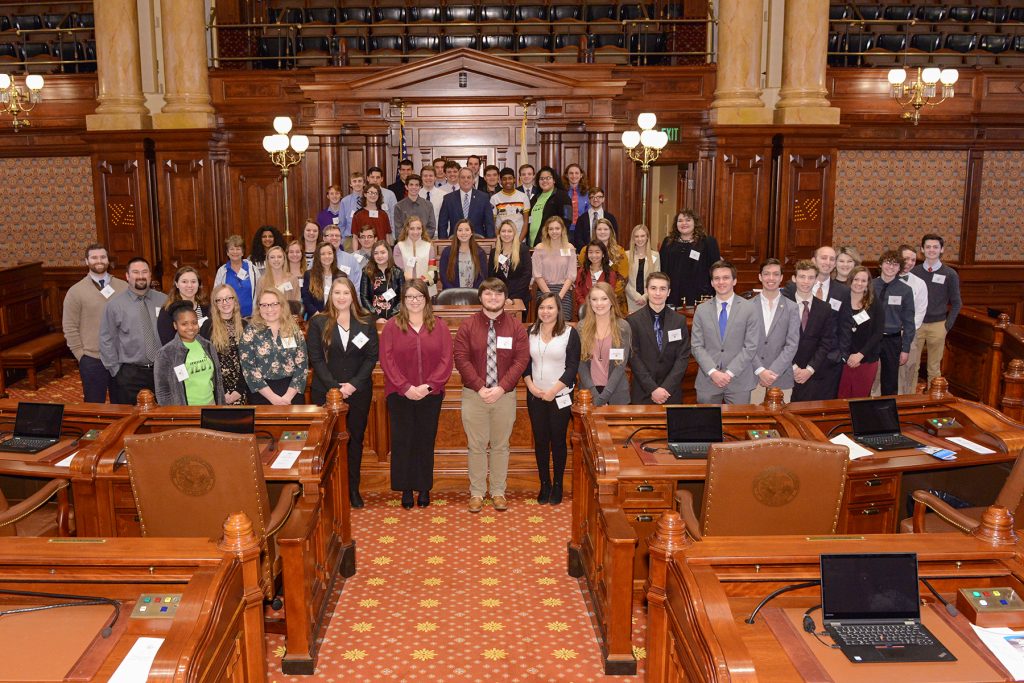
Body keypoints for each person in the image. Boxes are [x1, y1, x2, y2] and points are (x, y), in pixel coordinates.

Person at [454, 278, 529, 513]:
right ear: (481, 297)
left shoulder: (516, 327)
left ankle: (498, 491)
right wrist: (479, 387)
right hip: (474, 395)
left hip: (504, 395)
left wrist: (501, 388)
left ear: (505, 298)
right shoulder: (467, 325)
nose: (493, 298)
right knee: (476, 446)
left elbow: (521, 360)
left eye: (498, 294)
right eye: (488, 294)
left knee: (500, 446)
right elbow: (461, 358)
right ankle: (476, 492)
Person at [380, 280, 454, 509]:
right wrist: (405, 387)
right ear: (403, 301)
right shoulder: (392, 326)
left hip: (430, 395)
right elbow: (387, 360)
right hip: (399, 394)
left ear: (426, 299)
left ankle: (423, 488)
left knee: (424, 440)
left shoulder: (439, 326)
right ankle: (405, 488)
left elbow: (446, 360)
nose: (414, 301)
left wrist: (428, 386)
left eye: (419, 296)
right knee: (403, 441)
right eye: (410, 297)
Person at [307, 276, 379, 508]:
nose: (341, 297)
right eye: (337, 293)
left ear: (352, 295)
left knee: (354, 440)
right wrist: (335, 387)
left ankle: (352, 490)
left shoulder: (366, 321)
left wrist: (353, 384)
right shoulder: (319, 322)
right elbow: (315, 359)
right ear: (331, 295)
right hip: (326, 392)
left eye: (345, 293)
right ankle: (330, 491)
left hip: (358, 391)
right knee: (328, 443)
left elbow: (371, 357)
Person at [523, 291, 580, 505]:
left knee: (558, 441)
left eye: (550, 307)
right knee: (540, 441)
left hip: (560, 396)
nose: (546, 312)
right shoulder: (530, 332)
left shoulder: (569, 333)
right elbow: (525, 364)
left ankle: (558, 485)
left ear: (558, 310)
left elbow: (572, 366)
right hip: (535, 396)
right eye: (542, 308)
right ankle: (544, 483)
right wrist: (532, 387)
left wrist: (553, 390)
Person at [62, 243, 129, 403]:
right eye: (94, 257)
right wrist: (80, 355)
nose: (99, 261)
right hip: (92, 358)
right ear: (86, 261)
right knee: (94, 404)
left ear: (108, 260)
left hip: (121, 358)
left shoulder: (124, 287)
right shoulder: (76, 291)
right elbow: (69, 326)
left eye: (102, 257)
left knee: (123, 403)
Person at [99, 257, 168, 405]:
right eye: (135, 272)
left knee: (163, 414)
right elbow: (106, 339)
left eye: (144, 272)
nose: (141, 276)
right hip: (130, 373)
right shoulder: (115, 305)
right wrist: (116, 371)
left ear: (150, 275)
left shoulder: (164, 300)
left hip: (161, 371)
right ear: (127, 276)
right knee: (131, 418)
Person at [690, 260, 759, 404]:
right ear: (712, 283)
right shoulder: (701, 310)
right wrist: (713, 372)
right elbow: (696, 346)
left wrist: (729, 373)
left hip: (739, 381)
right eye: (716, 278)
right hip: (708, 380)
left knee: (739, 425)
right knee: (706, 425)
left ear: (734, 281)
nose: (721, 282)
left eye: (726, 278)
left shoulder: (749, 308)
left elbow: (750, 347)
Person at [627, 271, 691, 404]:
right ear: (646, 291)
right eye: (653, 288)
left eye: (662, 289)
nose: (657, 293)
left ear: (668, 292)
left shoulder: (679, 320)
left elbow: (683, 357)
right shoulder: (633, 321)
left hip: (670, 392)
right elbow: (634, 357)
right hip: (643, 391)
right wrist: (652, 389)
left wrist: (666, 388)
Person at [239, 288, 308, 405]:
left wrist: (287, 397)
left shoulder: (294, 330)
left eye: (274, 304)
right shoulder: (250, 332)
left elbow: (302, 365)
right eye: (264, 305)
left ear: (282, 306)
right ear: (258, 308)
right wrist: (273, 398)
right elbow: (248, 369)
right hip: (262, 394)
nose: (269, 309)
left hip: (292, 394)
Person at [784, 259, 838, 402]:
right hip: (787, 370)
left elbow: (826, 342)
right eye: (802, 277)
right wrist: (794, 368)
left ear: (816, 280)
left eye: (810, 277)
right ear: (794, 278)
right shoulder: (783, 306)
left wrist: (809, 369)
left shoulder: (825, 308)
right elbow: (779, 341)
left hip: (813, 372)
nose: (806, 281)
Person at [911, 233, 962, 386]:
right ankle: (911, 399)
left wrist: (947, 326)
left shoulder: (950, 274)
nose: (931, 250)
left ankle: (933, 401)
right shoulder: (914, 272)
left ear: (941, 250)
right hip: (916, 325)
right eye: (928, 247)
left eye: (935, 247)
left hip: (938, 325)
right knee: (912, 366)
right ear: (922, 249)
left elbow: (957, 303)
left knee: (934, 368)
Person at [749, 258, 801, 404]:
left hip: (781, 377)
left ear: (781, 278)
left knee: (780, 422)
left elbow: (792, 345)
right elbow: (745, 343)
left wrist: (772, 372)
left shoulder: (792, 308)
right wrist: (760, 370)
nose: (771, 278)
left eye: (775, 274)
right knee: (754, 422)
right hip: (753, 376)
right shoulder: (747, 306)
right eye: (766, 274)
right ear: (760, 277)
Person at [154, 300, 224, 406]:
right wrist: (171, 416)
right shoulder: (166, 353)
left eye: (194, 322)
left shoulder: (208, 346)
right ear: (175, 325)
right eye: (184, 324)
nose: (190, 327)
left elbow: (218, 381)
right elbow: (162, 391)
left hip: (211, 405)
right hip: (185, 410)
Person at [577, 282, 632, 406]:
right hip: (588, 394)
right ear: (589, 302)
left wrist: (604, 397)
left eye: (604, 299)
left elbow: (620, 366)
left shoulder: (623, 327)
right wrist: (594, 395)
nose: (599, 303)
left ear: (612, 301)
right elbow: (580, 364)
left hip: (616, 394)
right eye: (594, 299)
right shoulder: (581, 327)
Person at [873, 249, 916, 396]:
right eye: (888, 263)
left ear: (900, 268)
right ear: (881, 264)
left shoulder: (905, 290)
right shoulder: (870, 286)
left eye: (895, 264)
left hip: (892, 339)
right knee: (869, 376)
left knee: (890, 381)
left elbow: (909, 322)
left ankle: (886, 412)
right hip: (870, 338)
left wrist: (905, 348)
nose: (891, 267)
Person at [838, 266, 885, 399]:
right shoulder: (841, 300)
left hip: (867, 359)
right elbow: (834, 330)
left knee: (860, 399)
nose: (859, 283)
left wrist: (860, 355)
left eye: (863, 281)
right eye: (856, 279)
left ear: (868, 283)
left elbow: (878, 332)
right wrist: (846, 356)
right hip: (843, 360)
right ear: (850, 280)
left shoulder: (874, 302)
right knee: (841, 398)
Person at [659, 210, 720, 308]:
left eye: (688, 220)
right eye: (680, 220)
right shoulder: (668, 242)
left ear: (695, 223)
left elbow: (716, 270)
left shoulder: (708, 242)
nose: (684, 223)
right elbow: (662, 269)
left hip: (699, 295)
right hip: (673, 295)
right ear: (676, 224)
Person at [200, 284, 249, 405]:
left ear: (235, 300)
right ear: (215, 304)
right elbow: (205, 360)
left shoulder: (245, 325)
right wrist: (220, 390)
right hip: (216, 388)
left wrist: (239, 389)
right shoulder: (208, 326)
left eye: (228, 298)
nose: (224, 302)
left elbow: (249, 360)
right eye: (219, 300)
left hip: (241, 388)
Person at [531, 216, 577, 321]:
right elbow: (537, 275)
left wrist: (559, 296)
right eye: (551, 229)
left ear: (562, 230)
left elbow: (571, 275)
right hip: (544, 291)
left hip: (563, 291)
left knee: (563, 322)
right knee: (545, 320)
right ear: (546, 231)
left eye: (557, 228)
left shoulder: (569, 248)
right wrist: (550, 296)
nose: (554, 231)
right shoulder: (539, 248)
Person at [578, 217, 628, 312]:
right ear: (595, 232)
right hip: (589, 301)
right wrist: (593, 299)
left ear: (611, 231)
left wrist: (607, 297)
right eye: (599, 229)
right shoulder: (585, 251)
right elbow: (582, 275)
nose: (602, 232)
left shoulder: (619, 252)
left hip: (614, 299)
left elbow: (623, 278)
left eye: (605, 229)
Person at [897, 243, 928, 395]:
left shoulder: (920, 284)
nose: (909, 263)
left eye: (913, 260)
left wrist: (906, 331)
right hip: (886, 334)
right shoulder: (883, 280)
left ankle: (906, 403)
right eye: (906, 259)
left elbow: (920, 311)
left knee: (908, 371)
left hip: (909, 334)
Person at [437, 167, 496, 238]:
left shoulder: (483, 197)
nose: (466, 180)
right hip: (455, 242)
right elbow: (442, 224)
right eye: (463, 177)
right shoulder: (448, 199)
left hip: (478, 241)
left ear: (473, 180)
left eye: (469, 177)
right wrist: (444, 244)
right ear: (458, 179)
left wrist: (489, 243)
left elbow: (489, 223)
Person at [157, 266, 208, 345]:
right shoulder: (167, 311)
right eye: (184, 282)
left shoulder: (207, 307)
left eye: (193, 281)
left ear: (199, 284)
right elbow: (167, 342)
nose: (189, 285)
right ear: (177, 284)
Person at [489, 219, 532, 309]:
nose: (506, 234)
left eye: (509, 231)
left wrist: (512, 298)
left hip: (519, 298)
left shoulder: (523, 250)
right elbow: (491, 277)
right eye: (503, 231)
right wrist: (502, 296)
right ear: (499, 234)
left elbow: (526, 275)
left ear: (514, 233)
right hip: (498, 298)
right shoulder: (494, 252)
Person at [214, 234, 260, 318]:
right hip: (229, 317)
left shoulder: (252, 269)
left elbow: (260, 291)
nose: (235, 252)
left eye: (238, 249)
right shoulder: (222, 271)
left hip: (251, 317)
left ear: (243, 252)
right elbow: (216, 294)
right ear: (227, 252)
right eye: (231, 249)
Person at [525, 166, 571, 247]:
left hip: (552, 243)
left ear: (554, 180)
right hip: (532, 243)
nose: (544, 181)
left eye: (548, 178)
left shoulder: (562, 196)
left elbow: (567, 220)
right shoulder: (535, 198)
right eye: (541, 178)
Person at [360, 239, 404, 319]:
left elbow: (403, 297)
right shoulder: (367, 272)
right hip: (374, 318)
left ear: (389, 253)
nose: (379, 256)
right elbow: (364, 297)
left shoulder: (398, 272)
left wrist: (393, 316)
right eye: (376, 253)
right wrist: (376, 317)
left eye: (383, 252)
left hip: (395, 318)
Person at [438, 219, 487, 290]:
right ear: (456, 233)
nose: (463, 233)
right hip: (452, 294)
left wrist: (472, 292)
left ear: (472, 232)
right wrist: (455, 292)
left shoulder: (480, 253)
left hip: (474, 294)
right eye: (460, 230)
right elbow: (443, 276)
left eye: (467, 230)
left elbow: (483, 276)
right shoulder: (447, 252)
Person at [574, 240, 618, 313]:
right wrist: (587, 305)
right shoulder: (582, 271)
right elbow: (578, 292)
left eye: (597, 252)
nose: (593, 255)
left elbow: (610, 294)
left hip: (604, 310)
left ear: (603, 254)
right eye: (590, 252)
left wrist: (598, 305)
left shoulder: (610, 273)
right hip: (586, 310)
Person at [302, 242, 343, 319]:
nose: (326, 256)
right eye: (323, 254)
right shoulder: (309, 275)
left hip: (337, 317)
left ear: (334, 255)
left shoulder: (341, 275)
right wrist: (316, 314)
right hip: (315, 317)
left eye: (330, 253)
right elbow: (306, 298)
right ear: (318, 256)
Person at [625, 224, 659, 314]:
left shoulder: (655, 256)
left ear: (647, 237)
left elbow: (656, 280)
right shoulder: (626, 255)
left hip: (648, 300)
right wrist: (636, 296)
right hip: (631, 300)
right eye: (636, 236)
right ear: (633, 239)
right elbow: (623, 280)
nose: (640, 239)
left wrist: (645, 297)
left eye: (642, 236)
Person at [259, 245, 302, 316]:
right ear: (268, 260)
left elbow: (296, 302)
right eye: (272, 257)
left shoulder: (292, 279)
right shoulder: (262, 281)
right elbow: (258, 304)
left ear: (284, 259)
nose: (276, 260)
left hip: (288, 318)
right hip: (268, 318)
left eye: (279, 257)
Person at [392, 174, 436, 242]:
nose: (414, 187)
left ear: (420, 187)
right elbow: (398, 229)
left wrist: (420, 240)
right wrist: (410, 240)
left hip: (424, 243)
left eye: (416, 185)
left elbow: (431, 227)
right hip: (405, 244)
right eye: (411, 185)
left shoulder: (428, 205)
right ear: (406, 187)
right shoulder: (399, 206)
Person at [572, 186, 617, 252]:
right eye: (592, 197)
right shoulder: (581, 219)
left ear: (603, 199)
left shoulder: (610, 218)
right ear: (589, 200)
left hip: (607, 252)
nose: (595, 199)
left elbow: (614, 236)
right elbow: (578, 239)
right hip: (587, 254)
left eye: (598, 197)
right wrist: (587, 251)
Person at [393, 215, 435, 284]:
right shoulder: (399, 247)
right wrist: (413, 285)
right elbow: (400, 270)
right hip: (406, 287)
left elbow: (432, 270)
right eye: (412, 228)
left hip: (426, 287)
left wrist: (420, 282)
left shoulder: (429, 247)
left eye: (418, 228)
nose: (416, 232)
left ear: (422, 229)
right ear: (407, 229)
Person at [490, 167, 530, 238]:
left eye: (510, 178)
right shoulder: (494, 198)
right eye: (504, 179)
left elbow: (526, 222)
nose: (507, 181)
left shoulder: (523, 197)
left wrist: (519, 241)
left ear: (514, 179)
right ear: (500, 181)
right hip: (502, 239)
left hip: (519, 239)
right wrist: (500, 240)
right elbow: (493, 223)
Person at [562, 163, 589, 247]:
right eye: (571, 173)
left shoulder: (587, 194)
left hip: (582, 230)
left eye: (577, 173)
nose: (574, 176)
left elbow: (588, 213)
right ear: (566, 175)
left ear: (581, 175)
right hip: (565, 230)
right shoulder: (561, 193)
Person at [419, 166, 447, 232]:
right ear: (421, 178)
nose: (428, 178)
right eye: (425, 176)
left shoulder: (444, 195)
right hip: (419, 234)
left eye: (431, 176)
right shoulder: (416, 195)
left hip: (438, 235)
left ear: (435, 178)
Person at [337, 172, 365, 239]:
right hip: (349, 238)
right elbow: (341, 223)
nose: (357, 183)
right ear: (350, 184)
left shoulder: (369, 199)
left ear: (364, 183)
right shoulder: (345, 201)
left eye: (360, 181)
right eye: (354, 181)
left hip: (366, 237)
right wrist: (343, 239)